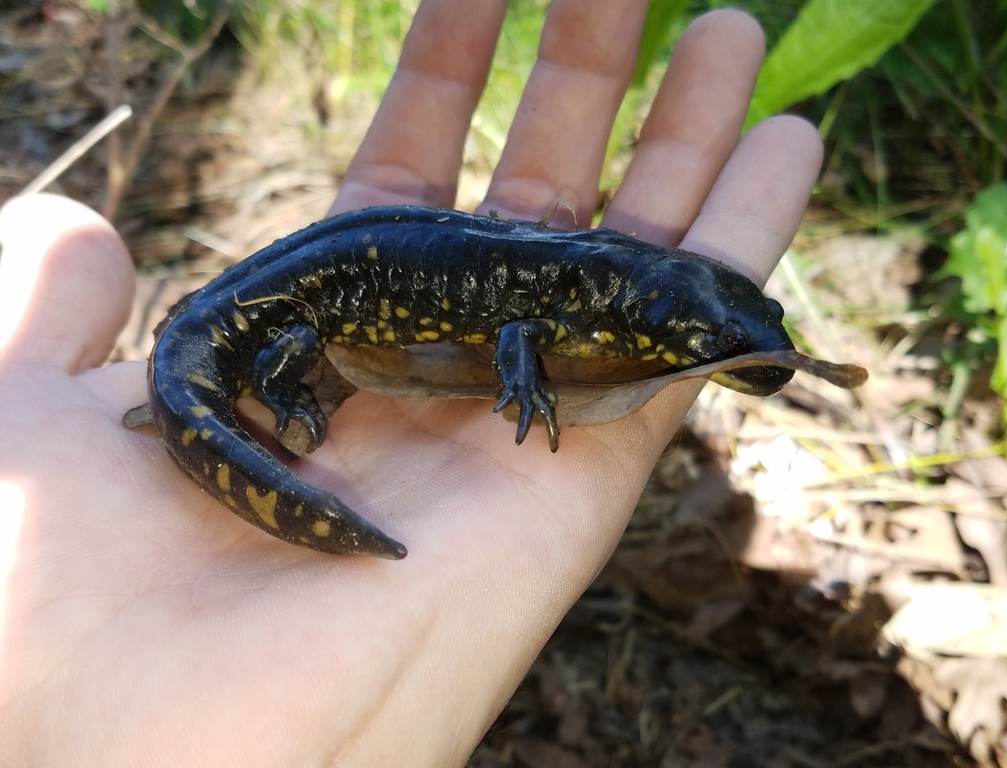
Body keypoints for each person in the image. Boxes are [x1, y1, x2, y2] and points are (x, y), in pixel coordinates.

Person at [0, 1, 822, 764]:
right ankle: (267, 388)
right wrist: (509, 383)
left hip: (304, 278)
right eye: (716, 343)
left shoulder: (618, 284)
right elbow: (514, 331)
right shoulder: (589, 294)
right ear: (649, 312)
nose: (750, 355)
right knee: (288, 343)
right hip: (282, 311)